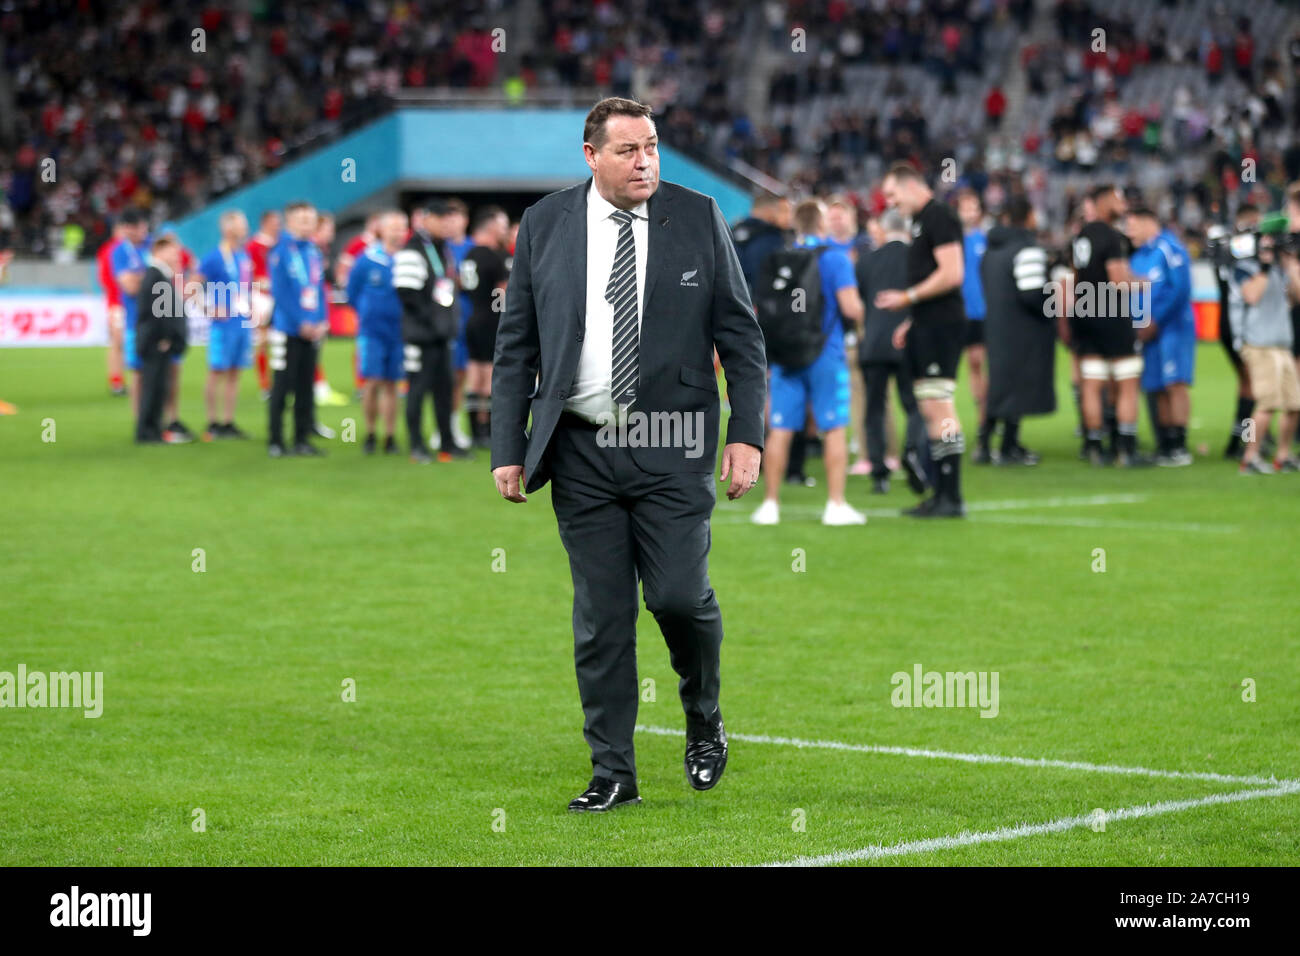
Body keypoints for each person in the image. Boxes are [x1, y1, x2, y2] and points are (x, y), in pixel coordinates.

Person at [490, 97, 767, 812]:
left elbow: (740, 337)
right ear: (591, 156)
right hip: (579, 449)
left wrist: (746, 433)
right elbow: (515, 344)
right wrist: (507, 446)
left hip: (670, 444)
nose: (644, 161)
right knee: (601, 618)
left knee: (678, 596)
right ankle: (613, 772)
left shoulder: (699, 215)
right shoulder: (545, 223)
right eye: (628, 150)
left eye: (651, 147)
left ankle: (703, 717)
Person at [750, 198, 867, 525]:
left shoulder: (779, 258)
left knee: (781, 429)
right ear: (822, 224)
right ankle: (836, 504)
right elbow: (851, 308)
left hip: (787, 355)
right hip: (826, 355)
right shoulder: (836, 259)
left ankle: (770, 504)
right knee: (833, 429)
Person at [876, 163, 969, 517]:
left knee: (940, 407)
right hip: (928, 324)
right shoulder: (922, 221)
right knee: (931, 408)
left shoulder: (939, 216)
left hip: (942, 326)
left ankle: (952, 496)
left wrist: (908, 298)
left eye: (892, 194)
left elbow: (952, 273)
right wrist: (912, 321)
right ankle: (941, 494)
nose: (890, 203)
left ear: (911, 186)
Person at [855, 208, 929, 494]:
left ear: (883, 230)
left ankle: (879, 474)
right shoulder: (919, 257)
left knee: (874, 409)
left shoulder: (866, 261)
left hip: (873, 344)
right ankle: (911, 452)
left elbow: (859, 302)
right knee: (914, 406)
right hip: (909, 343)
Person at [1069, 184, 1143, 467]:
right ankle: (1125, 449)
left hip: (1085, 312)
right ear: (1103, 203)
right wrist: (1142, 284)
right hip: (1111, 313)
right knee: (1126, 381)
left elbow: (1076, 279)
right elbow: (1118, 282)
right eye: (1117, 198)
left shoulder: (1081, 237)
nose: (1122, 203)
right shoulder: (1112, 236)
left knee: (1091, 383)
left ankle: (1094, 446)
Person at [980, 196, 1054, 463]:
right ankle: (1009, 446)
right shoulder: (1027, 249)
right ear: (1028, 216)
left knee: (999, 388)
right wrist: (1056, 301)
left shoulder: (990, 250)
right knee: (1017, 390)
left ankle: (985, 445)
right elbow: (1032, 294)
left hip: (997, 328)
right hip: (1023, 332)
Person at [394, 200, 467, 463]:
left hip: (441, 335)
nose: (446, 224)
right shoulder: (412, 249)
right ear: (425, 219)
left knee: (444, 391)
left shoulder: (442, 248)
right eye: (441, 218)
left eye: (449, 218)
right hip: (420, 336)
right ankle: (416, 445)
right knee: (417, 389)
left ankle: (447, 444)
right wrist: (431, 321)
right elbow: (406, 293)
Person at [1128, 207, 1195, 466]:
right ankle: (1165, 444)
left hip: (1173, 329)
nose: (1129, 231)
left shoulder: (1170, 249)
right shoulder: (1139, 256)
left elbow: (1180, 289)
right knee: (1156, 387)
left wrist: (1156, 320)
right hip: (1148, 332)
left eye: (1132, 225)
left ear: (1148, 222)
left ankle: (1179, 446)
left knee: (1174, 384)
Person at [267, 201, 328, 458]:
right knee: (282, 385)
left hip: (311, 330)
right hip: (287, 330)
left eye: (310, 219)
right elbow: (280, 293)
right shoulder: (280, 251)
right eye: (301, 219)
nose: (307, 224)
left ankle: (302, 438)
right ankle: (276, 440)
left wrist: (322, 319)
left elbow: (318, 289)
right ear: (289, 222)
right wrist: (299, 321)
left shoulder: (313, 252)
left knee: (306, 386)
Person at [1235, 231, 1300, 473]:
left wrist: (1292, 267)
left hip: (1282, 344)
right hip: (1258, 344)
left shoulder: (1282, 269)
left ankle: (1283, 455)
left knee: (1294, 403)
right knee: (1265, 403)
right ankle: (1249, 455)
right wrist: (1263, 267)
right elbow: (1251, 295)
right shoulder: (1244, 268)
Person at [347, 210, 408, 454]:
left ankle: (390, 436)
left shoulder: (408, 258)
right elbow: (352, 292)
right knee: (371, 382)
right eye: (393, 227)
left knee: (393, 384)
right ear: (381, 230)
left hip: (400, 331)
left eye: (402, 227)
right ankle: (371, 432)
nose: (398, 232)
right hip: (372, 331)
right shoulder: (366, 259)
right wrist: (368, 312)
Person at [198, 210, 255, 440]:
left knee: (235, 374)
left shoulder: (243, 256)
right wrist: (209, 309)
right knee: (216, 372)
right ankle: (213, 422)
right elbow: (191, 285)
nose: (245, 229)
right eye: (241, 225)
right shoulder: (215, 257)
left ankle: (228, 422)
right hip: (223, 325)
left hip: (242, 321)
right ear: (229, 229)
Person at [460, 206, 511, 447]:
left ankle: (474, 430)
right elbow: (504, 291)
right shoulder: (494, 256)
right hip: (492, 320)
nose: (505, 231)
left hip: (473, 317)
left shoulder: (469, 255)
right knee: (491, 376)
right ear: (491, 227)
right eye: (502, 226)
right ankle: (490, 431)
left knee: (474, 374)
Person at [135, 236, 188, 444]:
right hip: (156, 343)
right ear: (159, 251)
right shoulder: (155, 275)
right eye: (172, 251)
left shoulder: (159, 275)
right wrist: (165, 337)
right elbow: (157, 312)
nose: (176, 256)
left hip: (158, 342)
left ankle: (153, 429)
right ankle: (148, 431)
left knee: (159, 387)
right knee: (153, 388)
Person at [957, 189, 993, 461]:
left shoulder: (988, 240)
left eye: (973, 207)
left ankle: (985, 425)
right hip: (960, 314)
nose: (969, 212)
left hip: (985, 313)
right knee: (971, 364)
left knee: (980, 362)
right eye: (964, 207)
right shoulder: (954, 242)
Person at [111, 209, 150, 415]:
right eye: (135, 227)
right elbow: (130, 287)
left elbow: (174, 275)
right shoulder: (119, 252)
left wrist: (140, 277)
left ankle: (158, 420)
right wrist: (153, 276)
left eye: (143, 226)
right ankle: (140, 421)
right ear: (126, 229)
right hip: (135, 319)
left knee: (161, 372)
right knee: (138, 372)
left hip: (159, 318)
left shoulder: (152, 244)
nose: (141, 231)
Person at [247, 210, 282, 400]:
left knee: (279, 339)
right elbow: (247, 273)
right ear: (265, 222)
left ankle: (279, 382)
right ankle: (265, 385)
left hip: (277, 296)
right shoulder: (253, 245)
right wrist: (258, 281)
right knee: (262, 340)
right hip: (260, 297)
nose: (278, 225)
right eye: (275, 222)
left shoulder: (279, 244)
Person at [97, 220, 126, 396]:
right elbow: (106, 279)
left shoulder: (123, 250)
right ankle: (116, 380)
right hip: (117, 303)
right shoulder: (111, 250)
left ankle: (118, 380)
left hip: (122, 303)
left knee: (119, 342)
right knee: (118, 341)